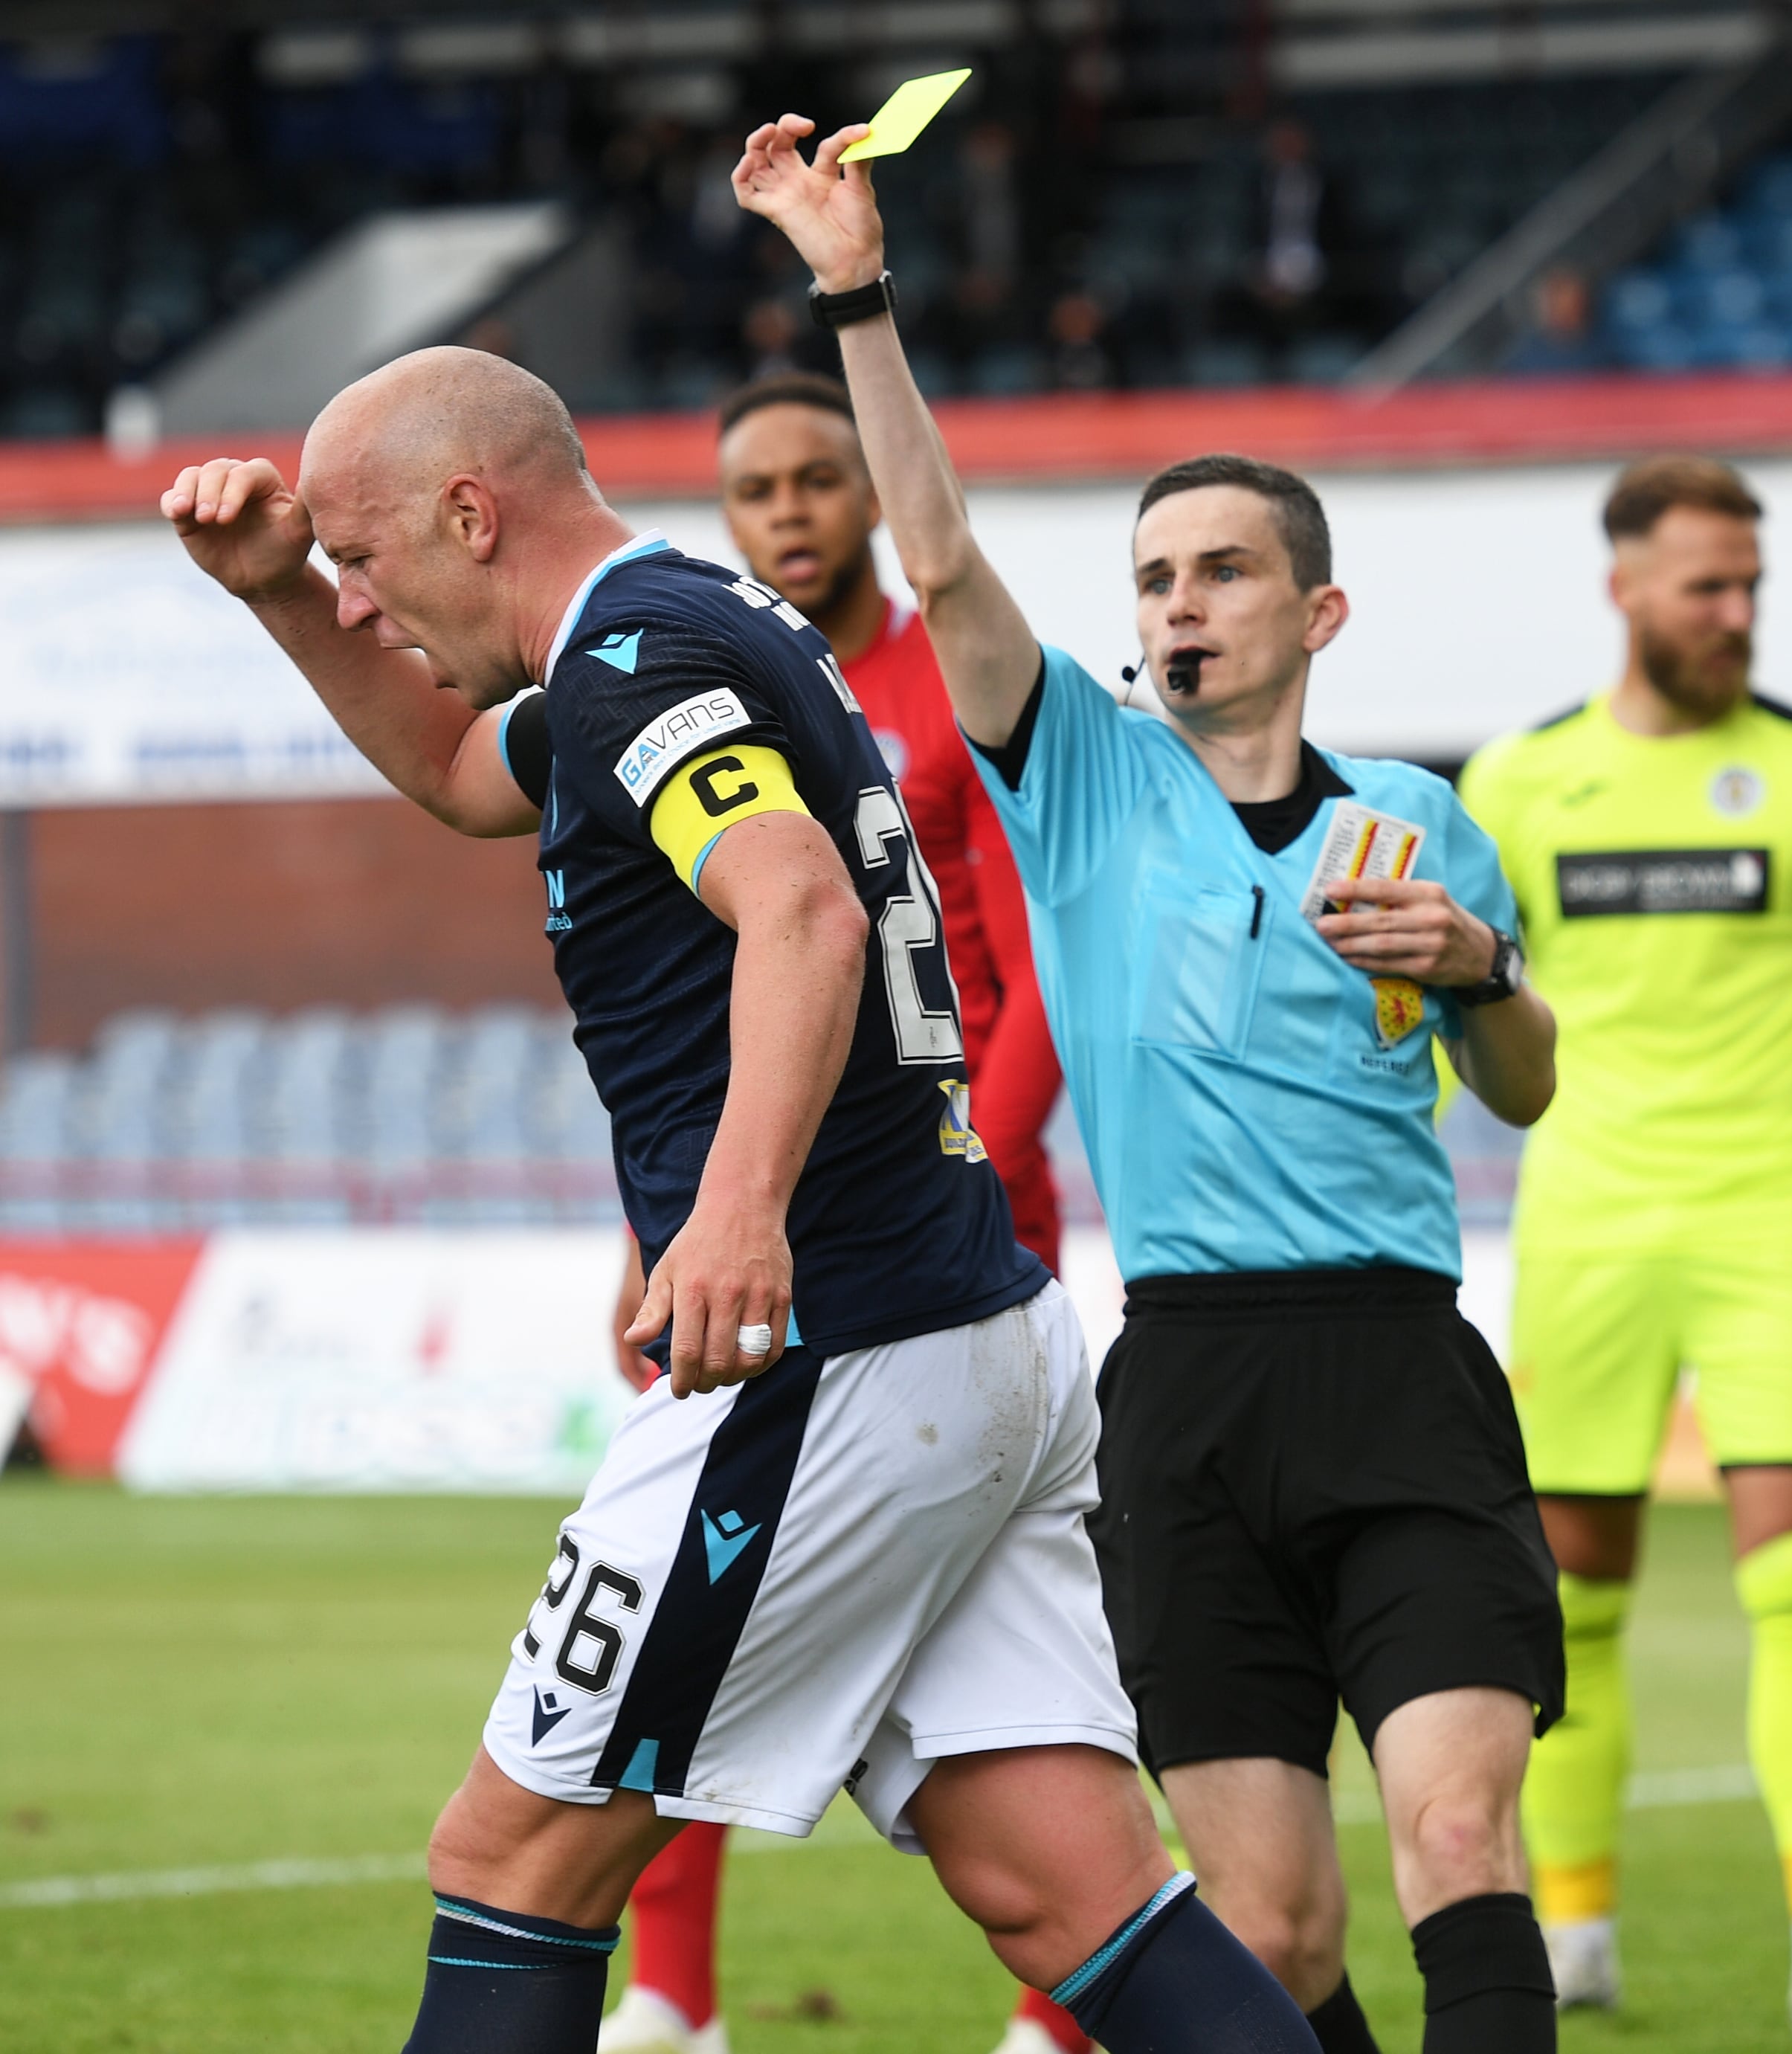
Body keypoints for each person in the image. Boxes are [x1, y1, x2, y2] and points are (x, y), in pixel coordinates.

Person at [159, 346, 1320, 2054]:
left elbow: (799, 910)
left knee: (511, 1858)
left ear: (469, 515)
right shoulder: (694, 630)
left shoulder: (637, 661)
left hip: (832, 1349)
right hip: (969, 1331)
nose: (356, 601)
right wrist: (269, 594)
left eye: (357, 558)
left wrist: (735, 1209)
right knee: (1067, 1893)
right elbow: (454, 773)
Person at [735, 112, 1567, 2054]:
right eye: (1154, 575)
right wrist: (854, 289)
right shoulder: (1086, 781)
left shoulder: (1427, 821)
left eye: (1221, 571)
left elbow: (1520, 1091)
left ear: (1317, 613)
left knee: (1462, 1825)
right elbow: (933, 560)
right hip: (1186, 1398)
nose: (1178, 602)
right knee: (1269, 1933)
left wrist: (1484, 969)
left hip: (1405, 1378)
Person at [600, 368, 1074, 2054]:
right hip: (751, 1234)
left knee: (1030, 1631)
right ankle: (671, 1990)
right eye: (756, 487)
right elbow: (683, 999)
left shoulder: (948, 691)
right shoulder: (702, 691)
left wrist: (986, 1173)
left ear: (871, 497)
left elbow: (1026, 972)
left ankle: (1056, 2002)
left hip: (942, 1239)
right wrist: (656, 1221)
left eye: (818, 477)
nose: (789, 509)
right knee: (680, 1590)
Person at [1460, 455, 1792, 2038]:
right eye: (1707, 584)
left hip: (1779, 1212)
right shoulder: (1515, 781)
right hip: (1590, 1220)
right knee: (1573, 1603)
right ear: (1624, 586)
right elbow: (1459, 1023)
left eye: (1750, 583)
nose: (1736, 613)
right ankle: (1574, 1928)